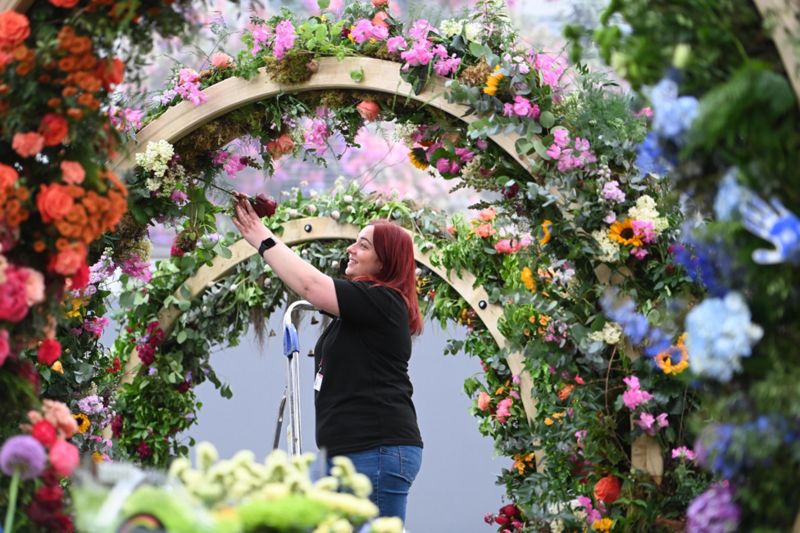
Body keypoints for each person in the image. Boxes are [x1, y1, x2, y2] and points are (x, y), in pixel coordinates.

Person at [231, 194, 424, 522]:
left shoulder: (385, 302)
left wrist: (261, 237)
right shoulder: (360, 312)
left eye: (363, 245)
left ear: (385, 262)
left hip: (375, 449)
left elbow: (310, 285)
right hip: (347, 453)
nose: (351, 249)